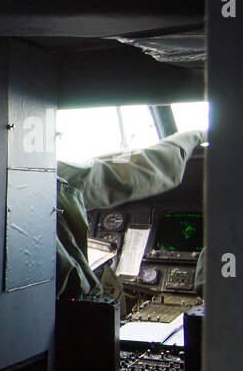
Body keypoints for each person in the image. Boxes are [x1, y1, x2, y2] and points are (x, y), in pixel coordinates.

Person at [55, 128, 206, 299]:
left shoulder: (36, 180)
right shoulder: (53, 180)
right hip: (73, 308)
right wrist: (196, 134)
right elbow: (145, 170)